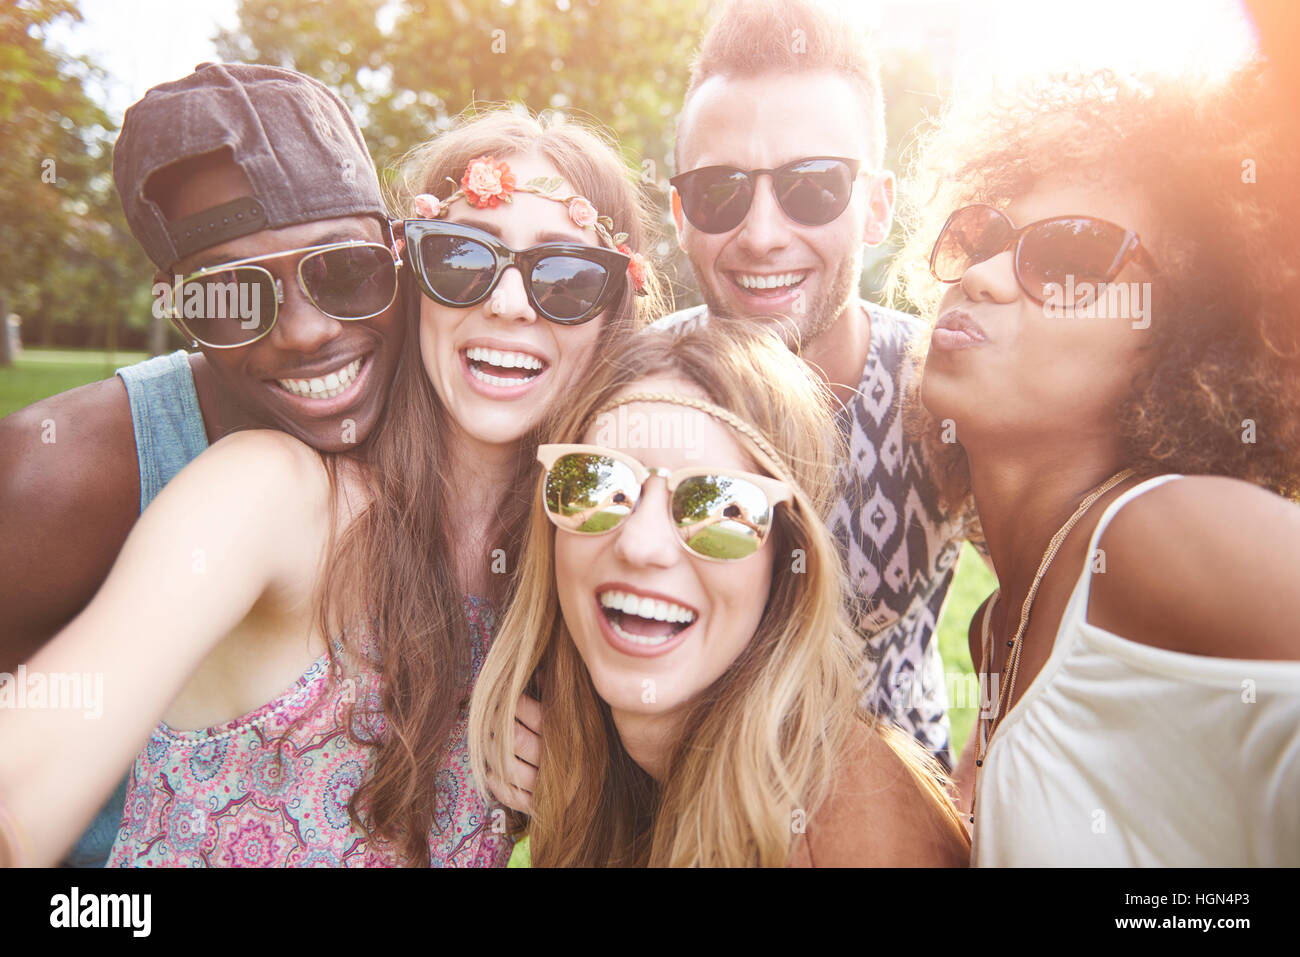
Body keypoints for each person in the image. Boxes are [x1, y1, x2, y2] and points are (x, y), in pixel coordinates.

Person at [0, 108, 662, 868]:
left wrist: (589, 773)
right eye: (460, 259)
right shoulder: (272, 498)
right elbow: (23, 783)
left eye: (568, 277)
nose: (508, 303)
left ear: (614, 313)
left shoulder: (579, 577)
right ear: (408, 278)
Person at [0, 62, 406, 866]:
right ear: (178, 304)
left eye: (344, 270)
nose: (303, 331)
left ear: (397, 255)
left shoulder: (452, 417)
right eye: (235, 295)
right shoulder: (59, 477)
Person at [896, 64, 1300, 865]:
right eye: (986, 240)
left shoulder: (1168, 533)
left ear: (1180, 332)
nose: (980, 276)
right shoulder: (995, 630)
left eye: (1069, 259)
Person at [470, 321, 970, 866]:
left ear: (787, 561)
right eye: (599, 482)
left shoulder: (843, 839)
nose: (641, 545)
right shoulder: (607, 768)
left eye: (720, 507)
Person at [652, 0, 974, 770]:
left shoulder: (944, 389)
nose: (762, 233)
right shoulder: (638, 392)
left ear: (876, 207)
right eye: (720, 191)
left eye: (815, 186)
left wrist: (969, 809)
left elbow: (1063, 603)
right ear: (680, 213)